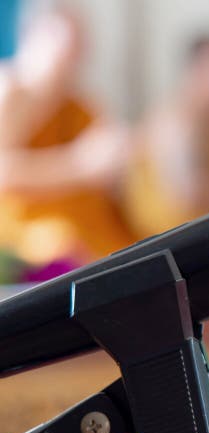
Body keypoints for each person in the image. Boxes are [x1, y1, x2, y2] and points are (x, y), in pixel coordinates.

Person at [0, 8, 133, 266]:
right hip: (29, 229)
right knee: (68, 244)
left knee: (141, 248)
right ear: (34, 38)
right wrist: (80, 166)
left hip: (86, 220)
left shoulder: (77, 104)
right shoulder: (12, 90)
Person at [125, 36, 209, 238]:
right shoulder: (178, 121)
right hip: (175, 243)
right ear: (198, 71)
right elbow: (193, 193)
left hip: (205, 235)